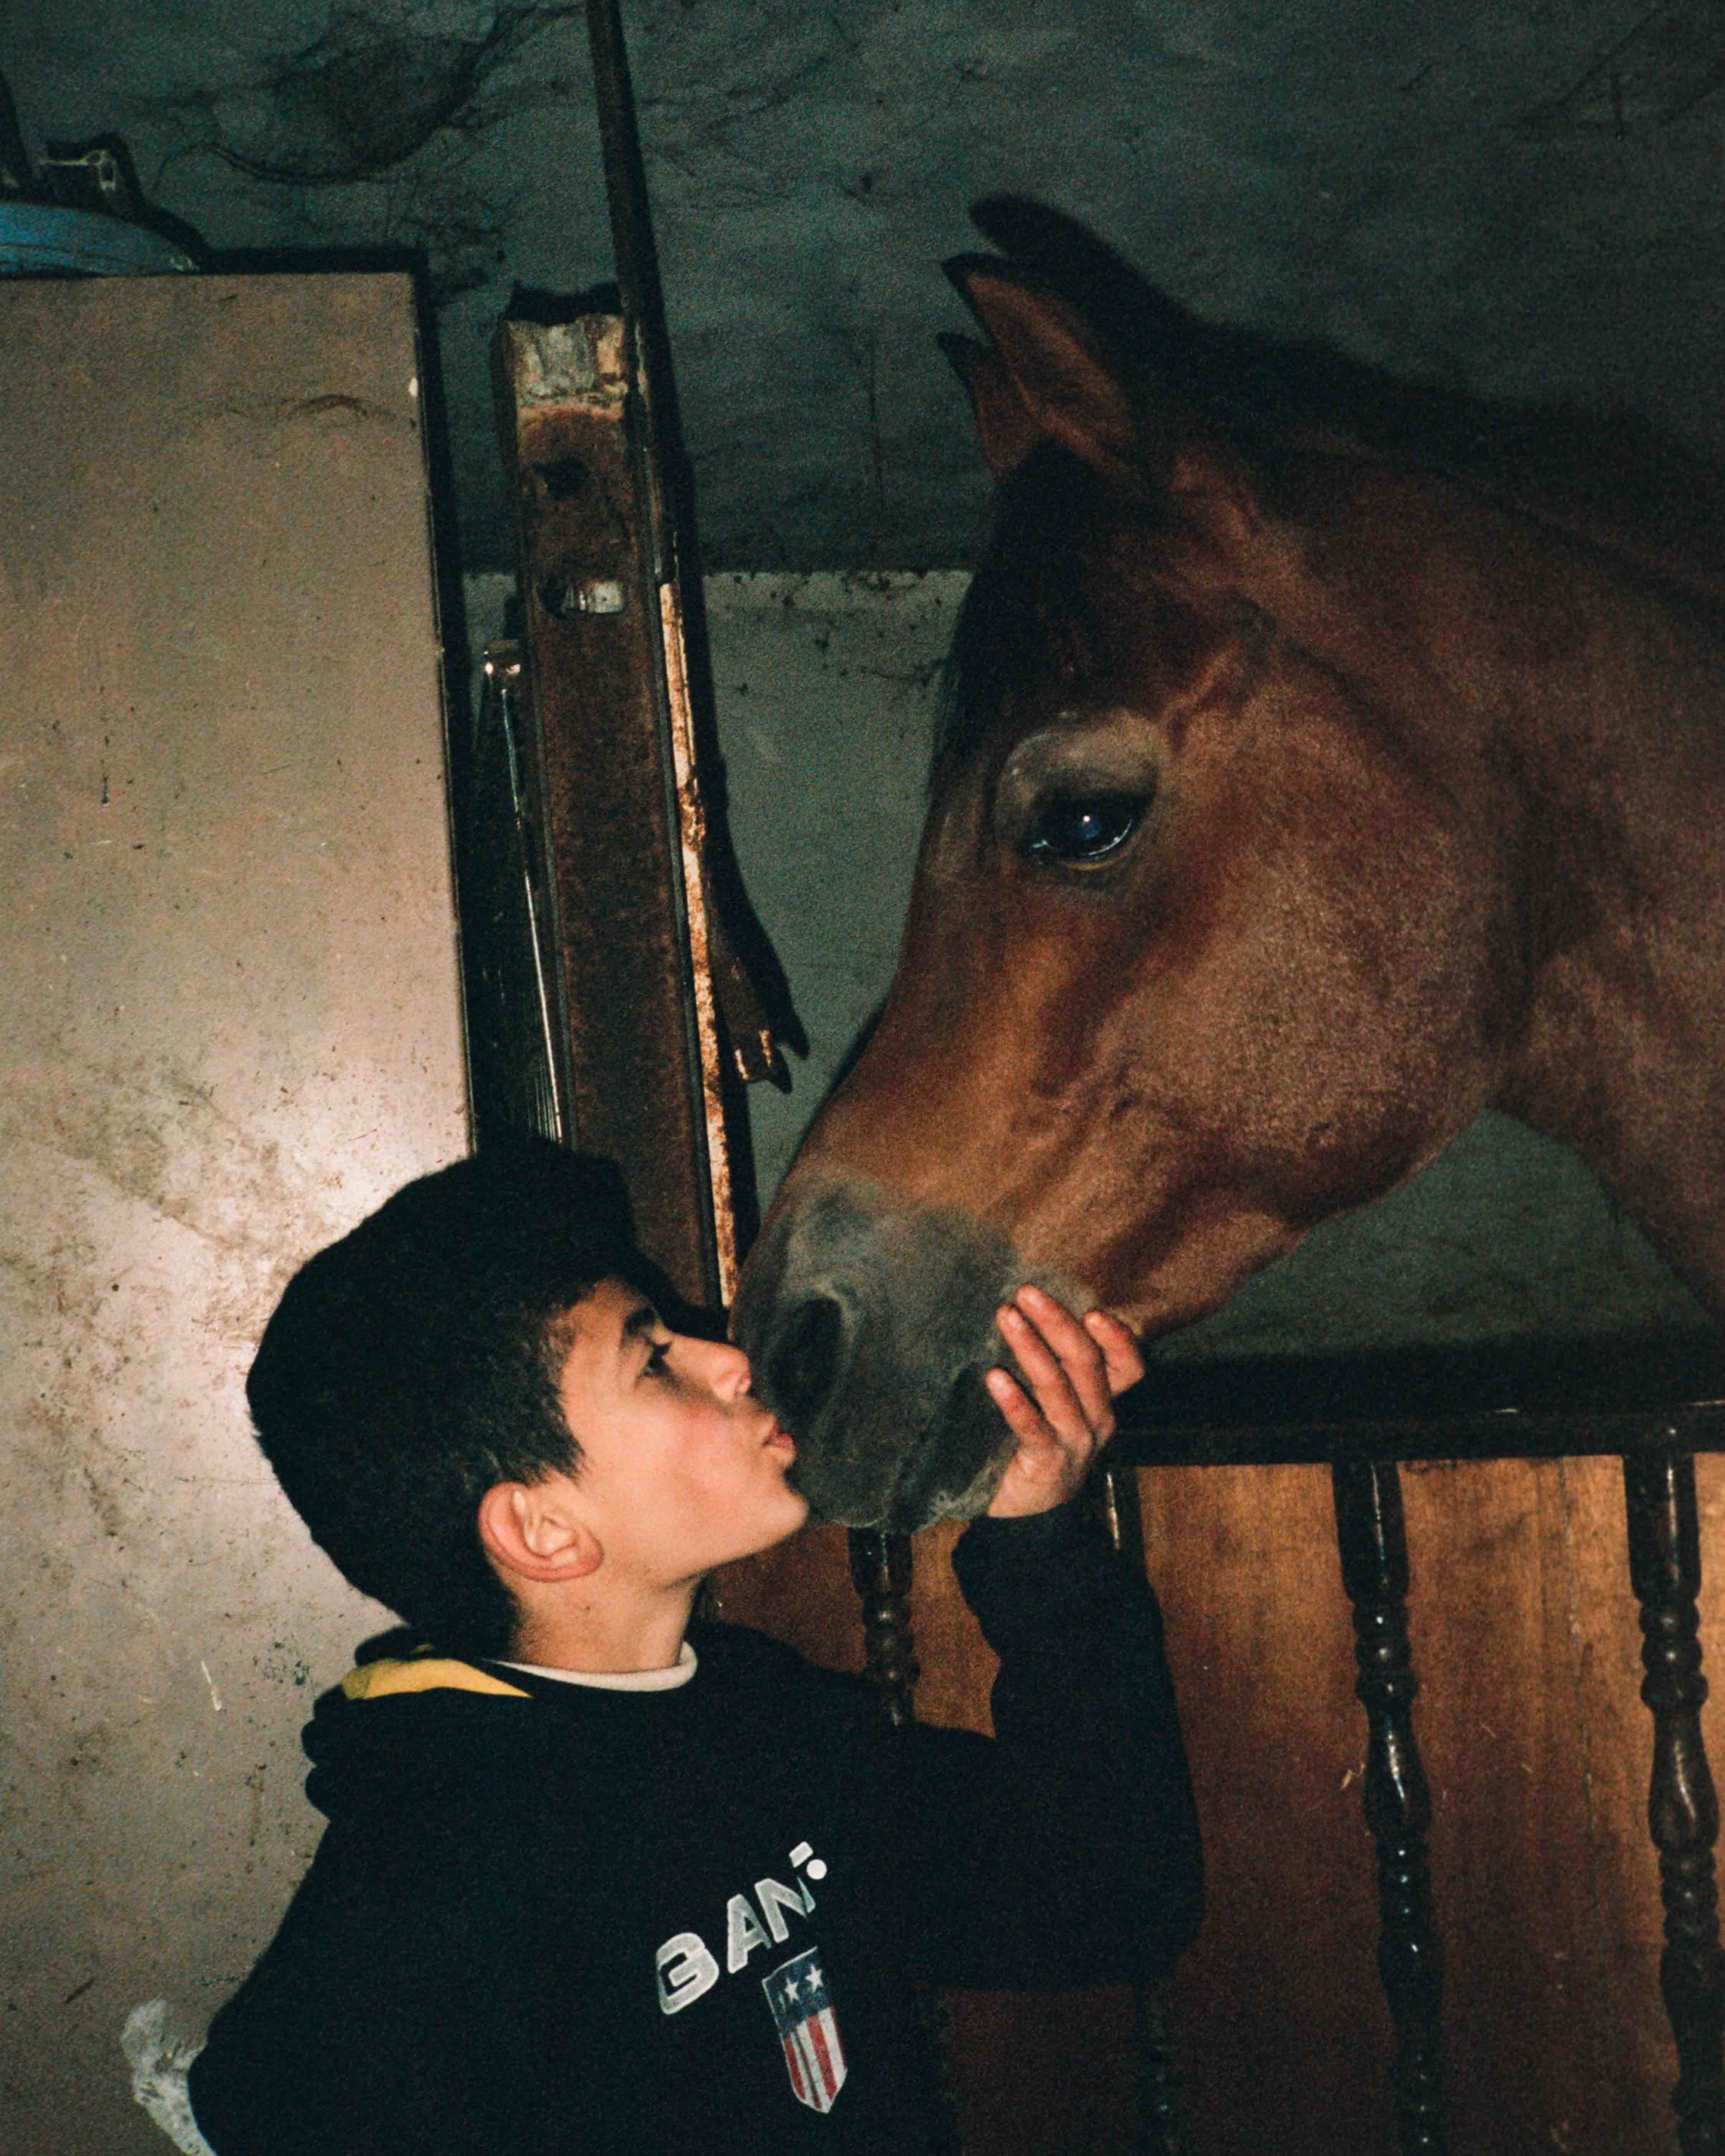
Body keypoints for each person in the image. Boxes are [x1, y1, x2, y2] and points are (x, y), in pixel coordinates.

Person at [178, 1138, 1201, 2155]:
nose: (729, 1360)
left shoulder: (768, 1723)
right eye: (652, 1359)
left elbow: (1108, 1898)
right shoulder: (425, 1887)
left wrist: (1037, 1532)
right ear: (543, 1530)